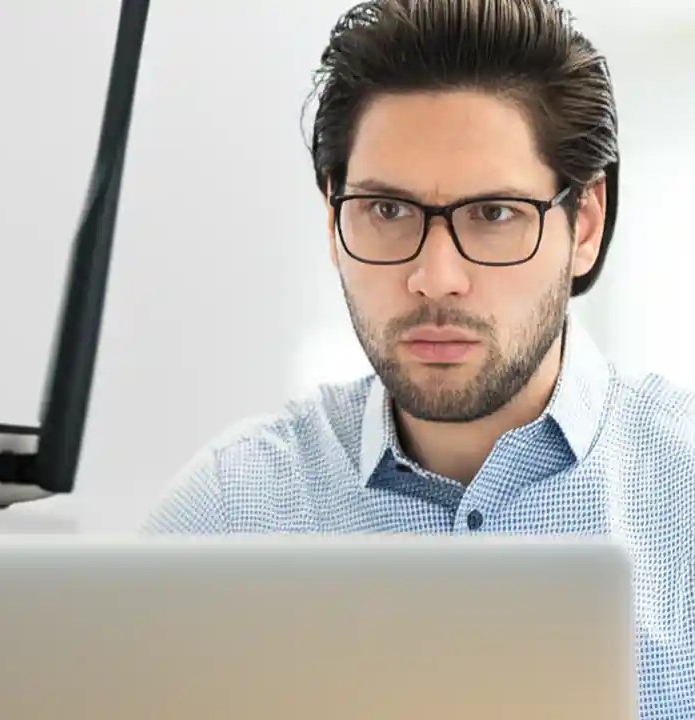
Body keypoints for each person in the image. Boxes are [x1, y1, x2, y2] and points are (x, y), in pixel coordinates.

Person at [141, 0, 693, 716]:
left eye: (493, 214)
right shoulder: (230, 510)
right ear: (333, 218)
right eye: (388, 211)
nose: (435, 277)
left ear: (583, 224)